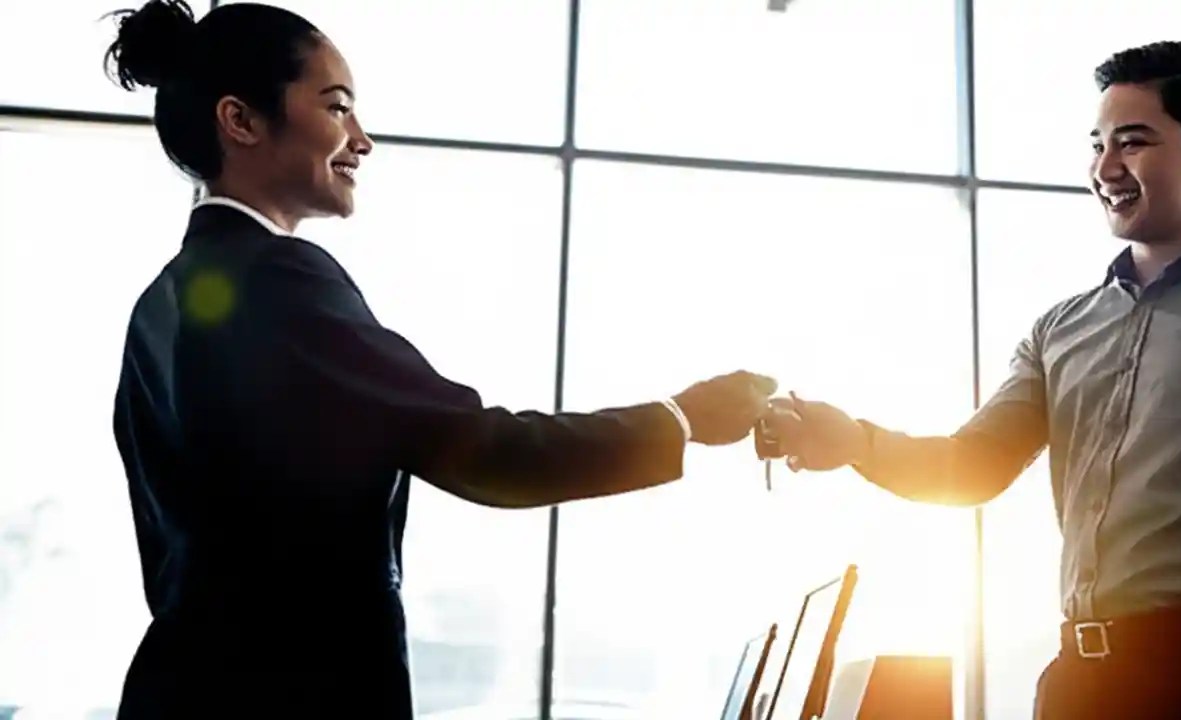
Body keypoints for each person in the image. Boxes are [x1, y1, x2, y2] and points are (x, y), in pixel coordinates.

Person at [102, 2, 777, 717]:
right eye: (337, 108)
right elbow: (482, 451)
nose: (361, 140)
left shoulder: (158, 306)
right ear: (240, 121)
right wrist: (682, 419)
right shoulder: (277, 280)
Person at [764, 41, 1181, 719]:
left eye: (1133, 143)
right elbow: (967, 468)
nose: (1105, 168)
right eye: (1097, 144)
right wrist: (854, 442)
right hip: (1078, 681)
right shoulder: (1060, 329)